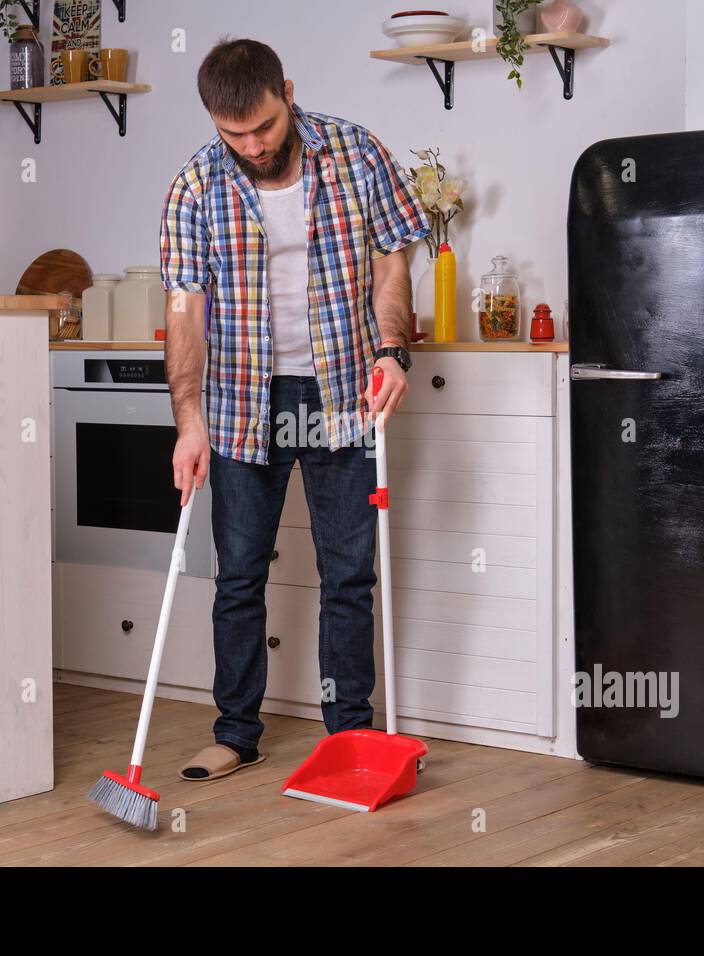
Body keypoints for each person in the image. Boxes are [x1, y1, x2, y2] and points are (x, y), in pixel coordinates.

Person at [159, 37, 429, 780]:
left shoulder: (354, 151)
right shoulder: (195, 185)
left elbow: (393, 255)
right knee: (239, 575)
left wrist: (391, 348)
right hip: (243, 397)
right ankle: (235, 733)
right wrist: (189, 421)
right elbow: (184, 308)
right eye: (233, 134)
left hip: (343, 387)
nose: (252, 145)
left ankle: (350, 736)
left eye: (265, 127)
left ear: (288, 90)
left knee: (349, 573)